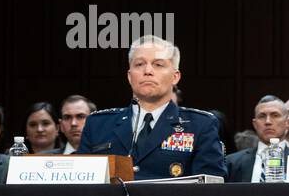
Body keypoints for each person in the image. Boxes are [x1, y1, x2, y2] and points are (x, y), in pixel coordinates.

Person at [78, 34, 227, 180]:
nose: (147, 71)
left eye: (158, 64)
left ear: (175, 77)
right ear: (130, 76)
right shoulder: (97, 124)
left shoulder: (201, 125)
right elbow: (81, 185)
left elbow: (210, 190)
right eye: (139, 64)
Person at [226, 96, 287, 183]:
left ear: (287, 122)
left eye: (275, 115)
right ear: (254, 124)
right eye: (262, 116)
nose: (268, 121)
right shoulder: (231, 162)